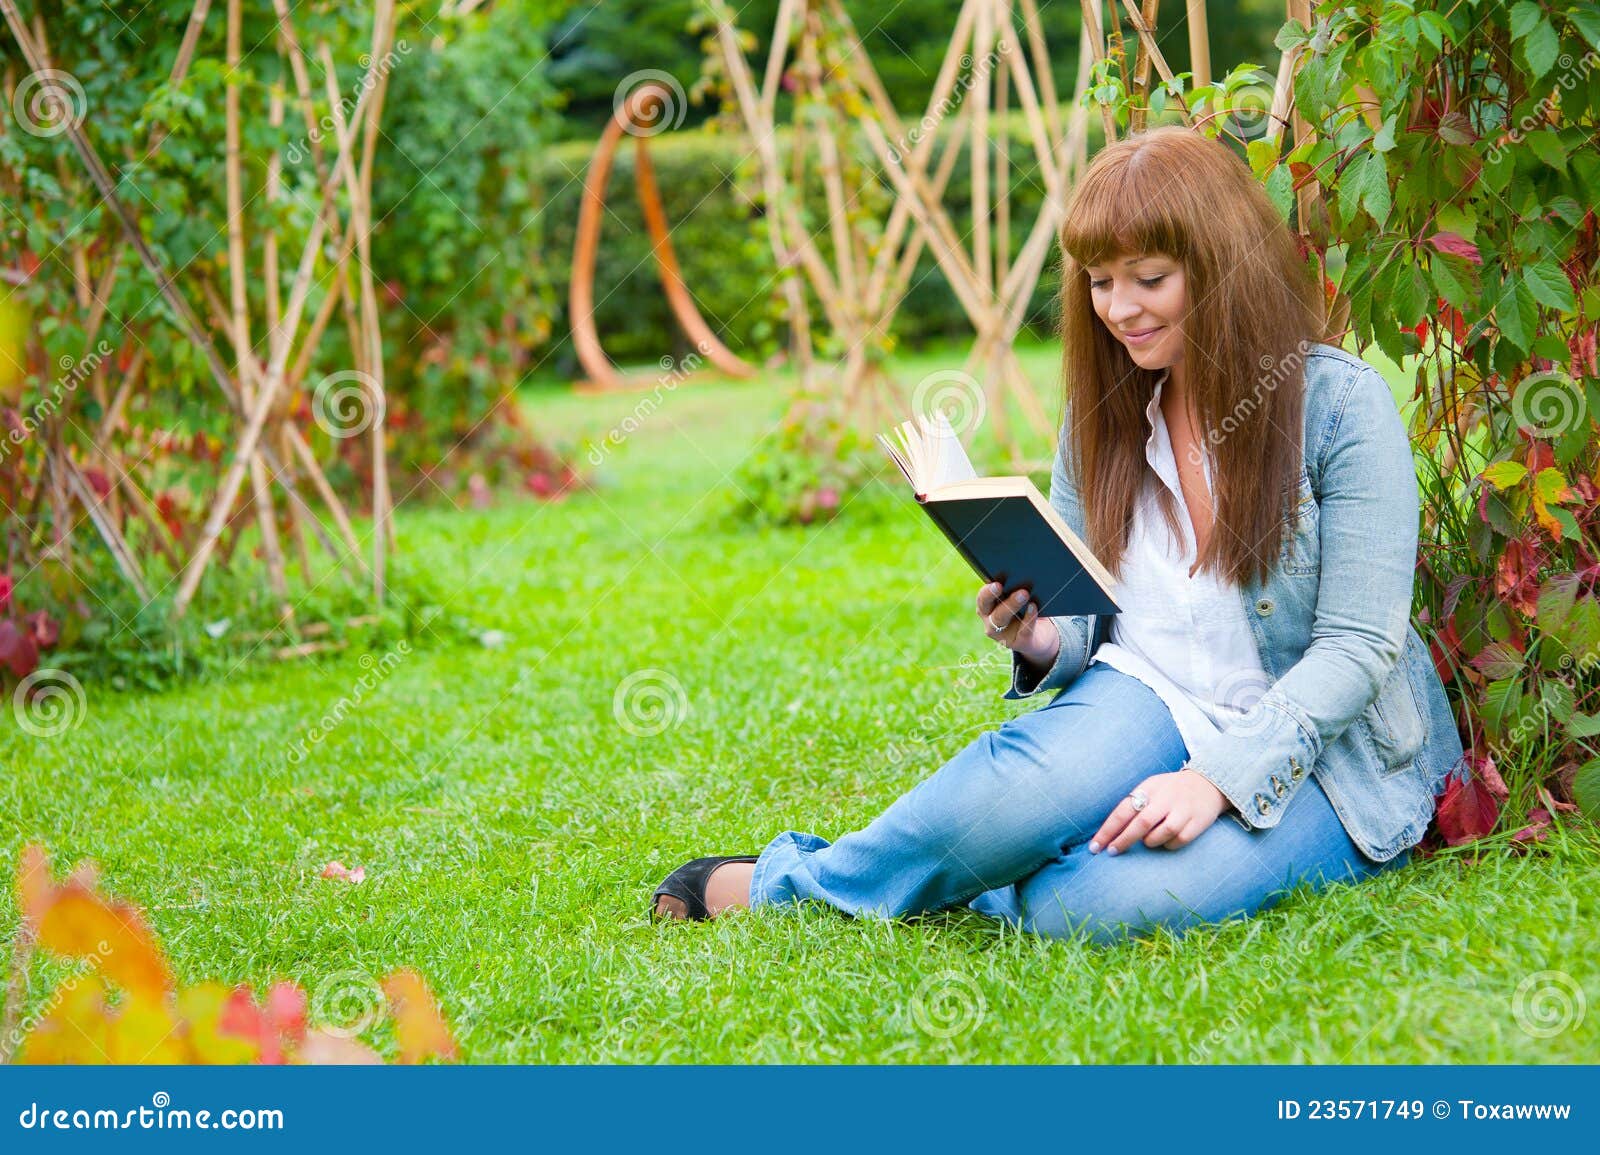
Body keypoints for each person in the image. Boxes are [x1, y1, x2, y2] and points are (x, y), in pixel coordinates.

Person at [650, 125, 1465, 944]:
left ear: (1224, 266)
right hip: (1150, 693)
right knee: (980, 812)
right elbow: (1089, 604)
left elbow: (1357, 648)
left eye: (1150, 279)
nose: (1119, 309)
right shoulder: (1107, 409)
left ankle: (986, 882)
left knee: (1090, 906)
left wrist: (1218, 780)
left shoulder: (1339, 406)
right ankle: (790, 882)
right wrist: (1042, 638)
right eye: (1101, 282)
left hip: (1325, 755)